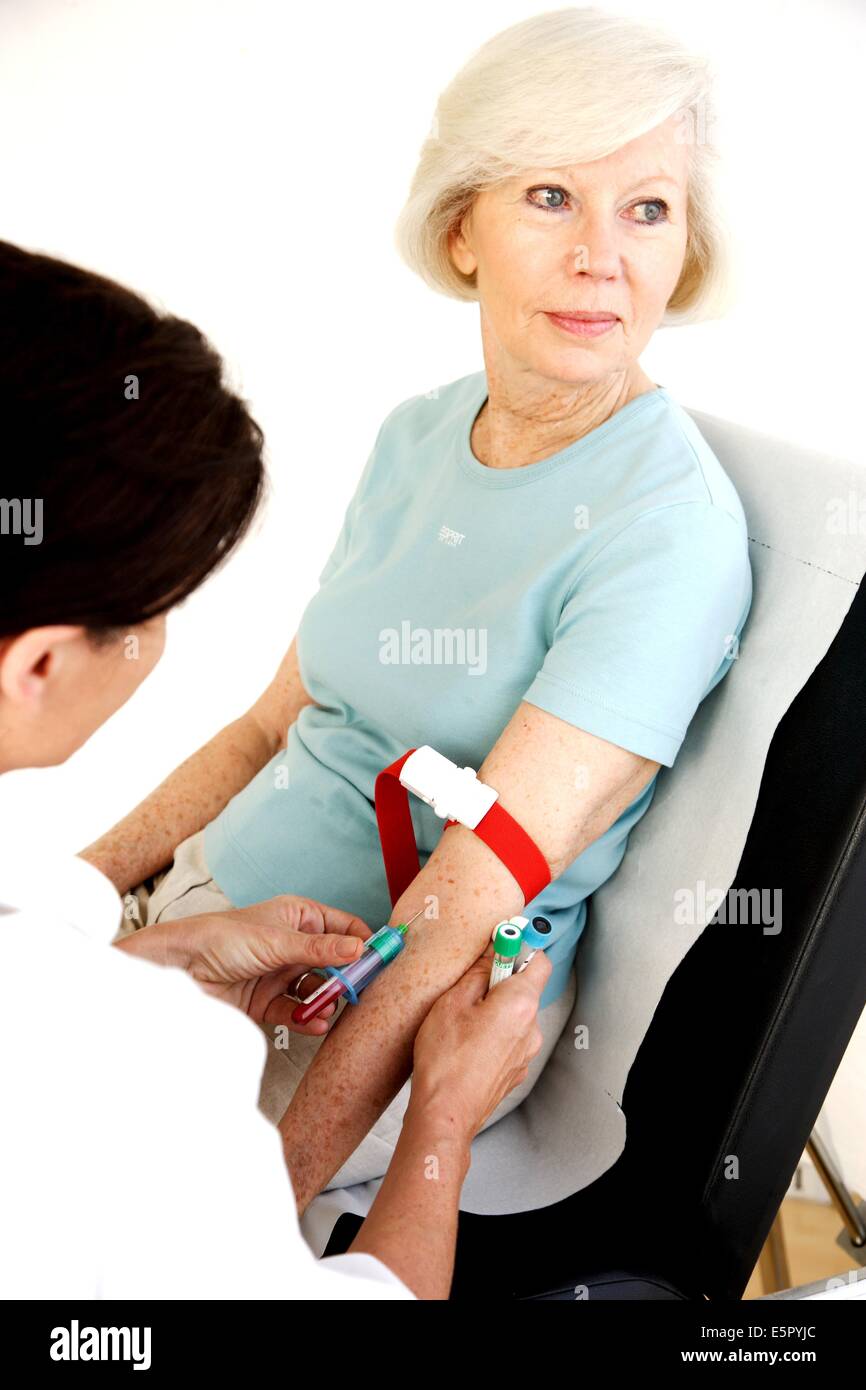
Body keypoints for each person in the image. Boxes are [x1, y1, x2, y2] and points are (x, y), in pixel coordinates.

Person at [81, 8, 753, 1213]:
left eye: (646, 208)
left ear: (684, 245)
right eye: (551, 195)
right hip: (205, 922)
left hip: (371, 1010)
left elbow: (459, 905)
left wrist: (266, 1204)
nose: (603, 254)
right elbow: (263, 729)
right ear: (460, 232)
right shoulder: (417, 432)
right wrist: (77, 897)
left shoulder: (670, 532)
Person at [0, 238, 550, 1301]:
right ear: (39, 662)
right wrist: (441, 1114)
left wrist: (145, 955)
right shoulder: (123, 1063)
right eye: (159, 609)